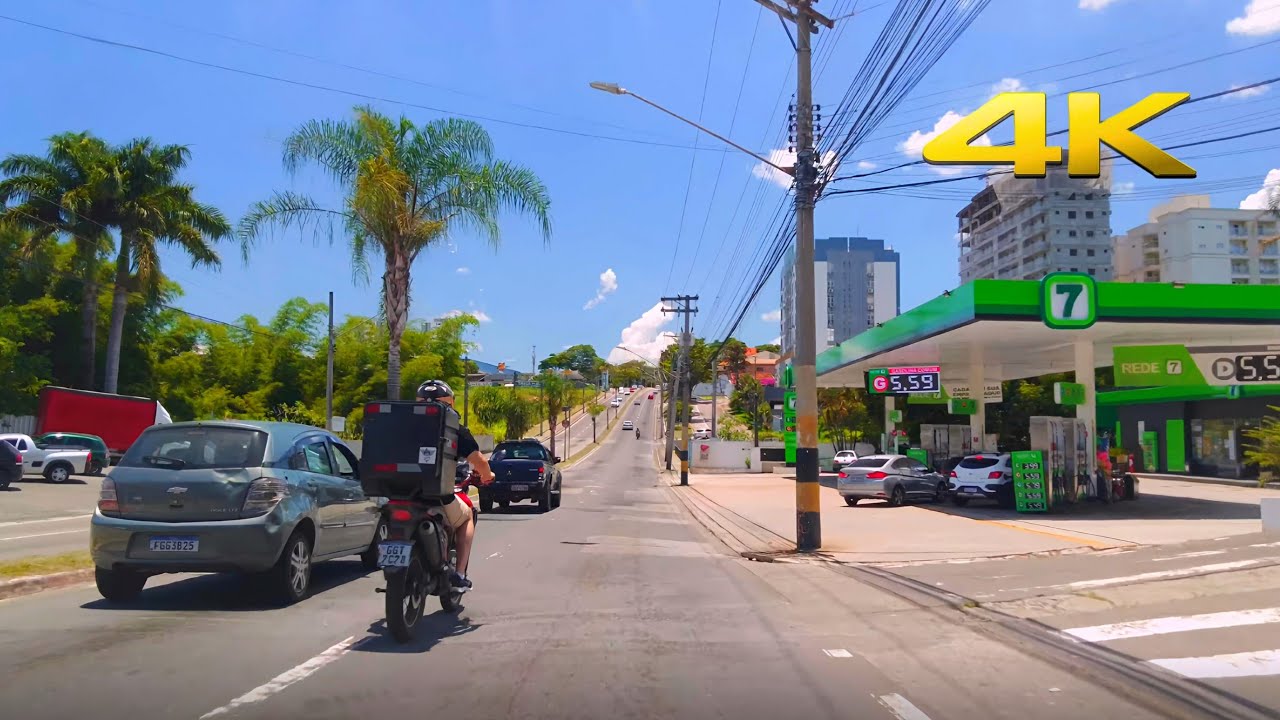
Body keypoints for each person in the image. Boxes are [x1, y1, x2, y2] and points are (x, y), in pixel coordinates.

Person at [416, 380, 493, 592]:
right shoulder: (452, 428)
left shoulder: (402, 423)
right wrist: (487, 475)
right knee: (467, 515)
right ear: (450, 402)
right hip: (435, 494)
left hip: (395, 492)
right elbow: (480, 462)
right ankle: (459, 573)